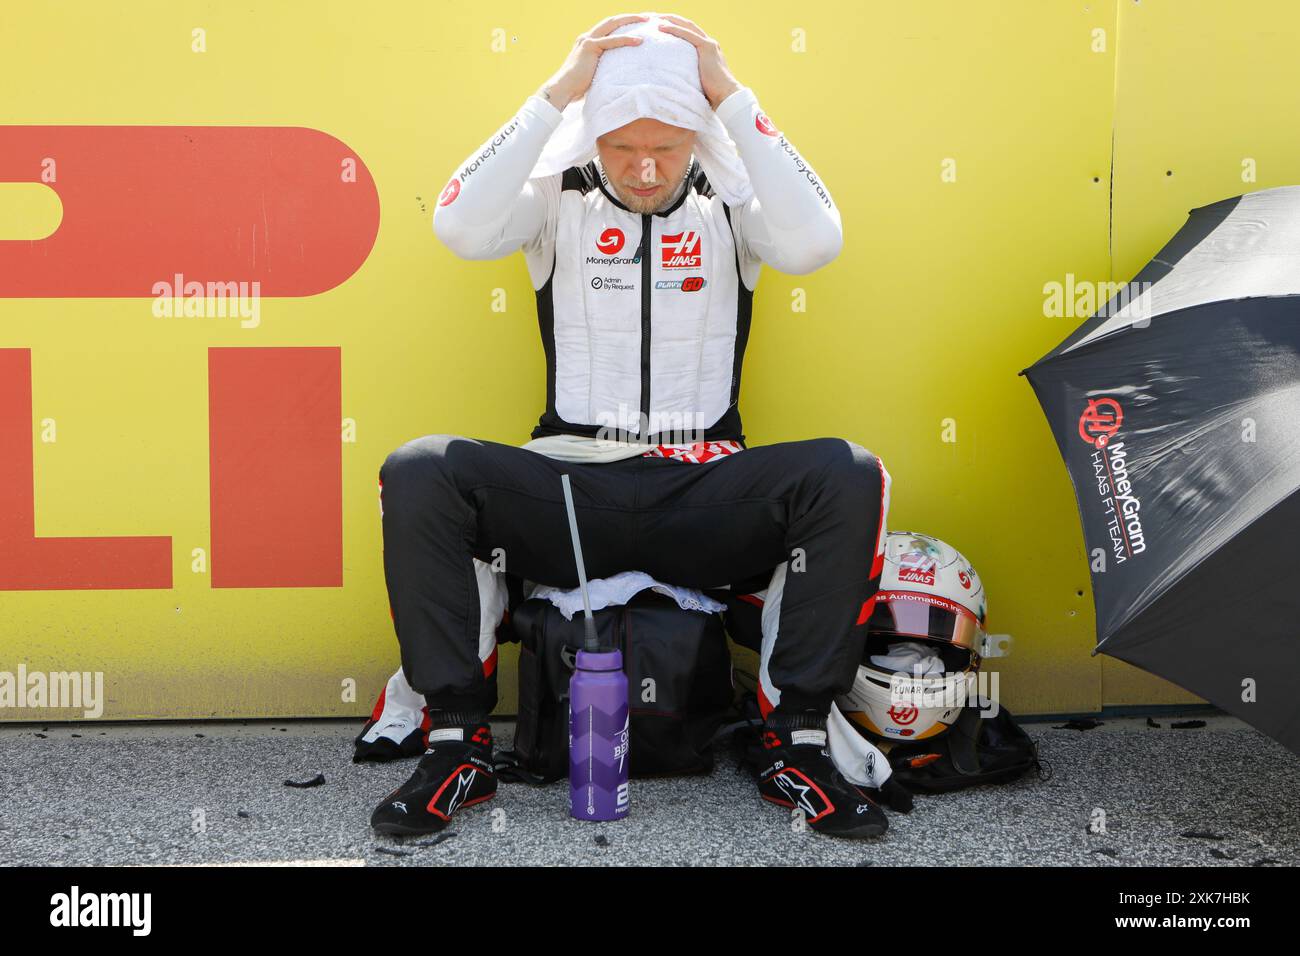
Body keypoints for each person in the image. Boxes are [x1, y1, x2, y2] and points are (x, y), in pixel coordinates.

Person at [370, 11, 895, 839]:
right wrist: (558, 93)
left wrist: (727, 93)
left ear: (698, 134)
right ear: (593, 131)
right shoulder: (555, 195)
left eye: (669, 144)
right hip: (574, 489)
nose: (645, 167)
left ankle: (796, 745)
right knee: (421, 468)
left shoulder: (734, 200)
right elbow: (459, 225)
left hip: (703, 492)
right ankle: (455, 745)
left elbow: (816, 243)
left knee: (849, 472)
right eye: (622, 146)